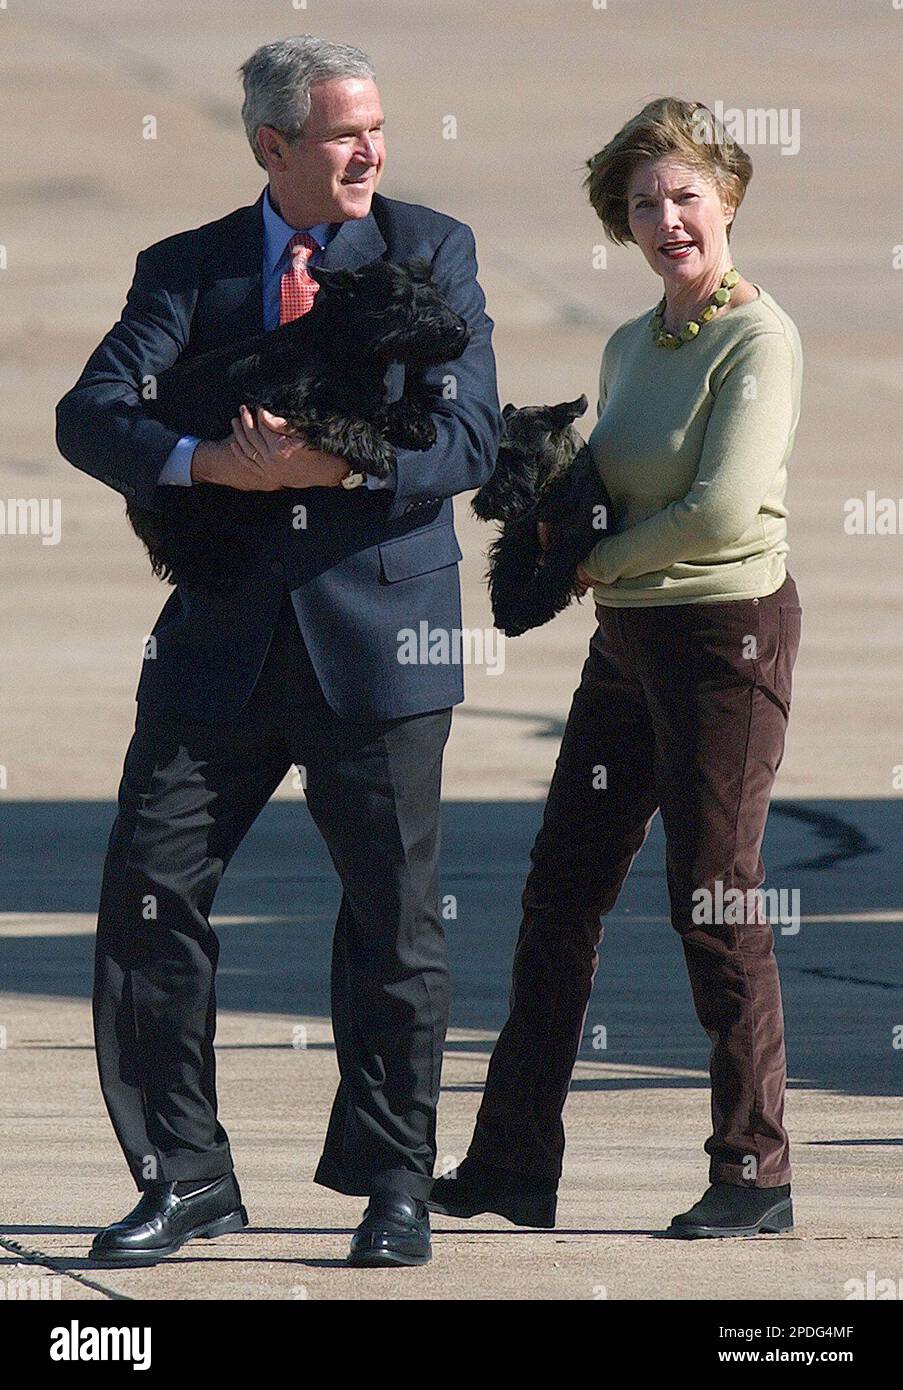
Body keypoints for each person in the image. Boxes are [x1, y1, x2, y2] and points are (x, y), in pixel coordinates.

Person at [55, 34, 501, 1269]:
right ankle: (184, 1174)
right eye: (343, 133)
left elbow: (469, 439)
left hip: (381, 640)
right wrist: (203, 463)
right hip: (219, 651)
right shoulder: (187, 268)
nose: (371, 151)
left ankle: (393, 1183)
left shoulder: (429, 250)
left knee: (393, 924)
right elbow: (89, 413)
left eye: (378, 129)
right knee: (148, 900)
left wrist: (333, 461)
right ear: (272, 147)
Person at [430, 96, 803, 1239]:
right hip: (628, 644)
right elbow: (606, 480)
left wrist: (595, 563)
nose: (667, 219)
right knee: (561, 892)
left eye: (685, 195)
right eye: (644, 204)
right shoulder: (630, 342)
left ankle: (755, 1170)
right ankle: (511, 1162)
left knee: (715, 894)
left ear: (727, 198)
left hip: (723, 637)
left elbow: (721, 509)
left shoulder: (759, 336)